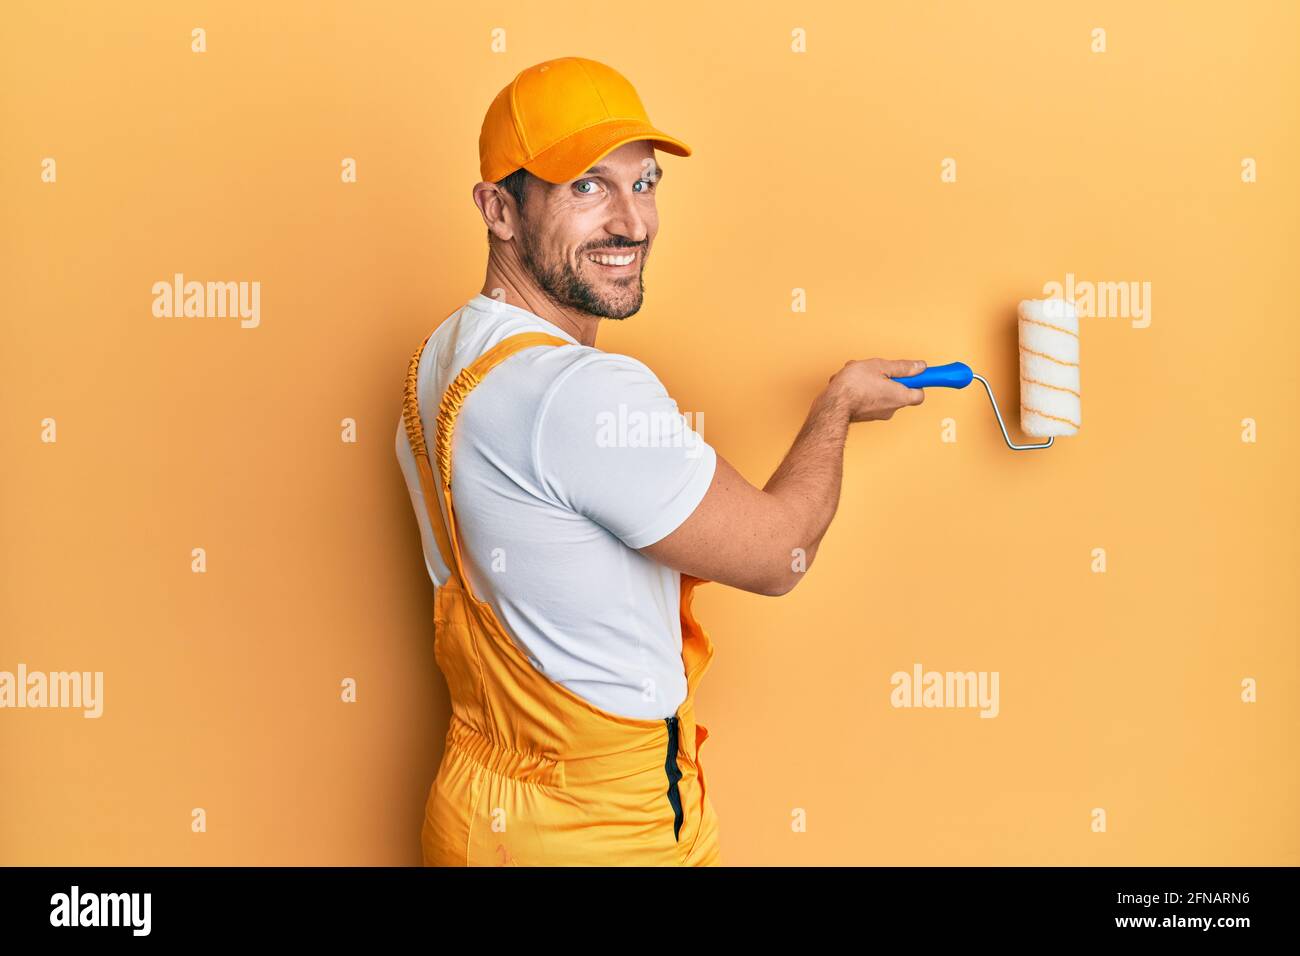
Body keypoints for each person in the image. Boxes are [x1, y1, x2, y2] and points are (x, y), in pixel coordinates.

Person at [395, 56, 925, 866]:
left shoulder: (441, 358)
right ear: (498, 208)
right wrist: (838, 410)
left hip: (476, 809)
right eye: (586, 187)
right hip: (596, 833)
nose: (630, 223)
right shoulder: (578, 395)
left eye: (643, 184)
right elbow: (779, 554)